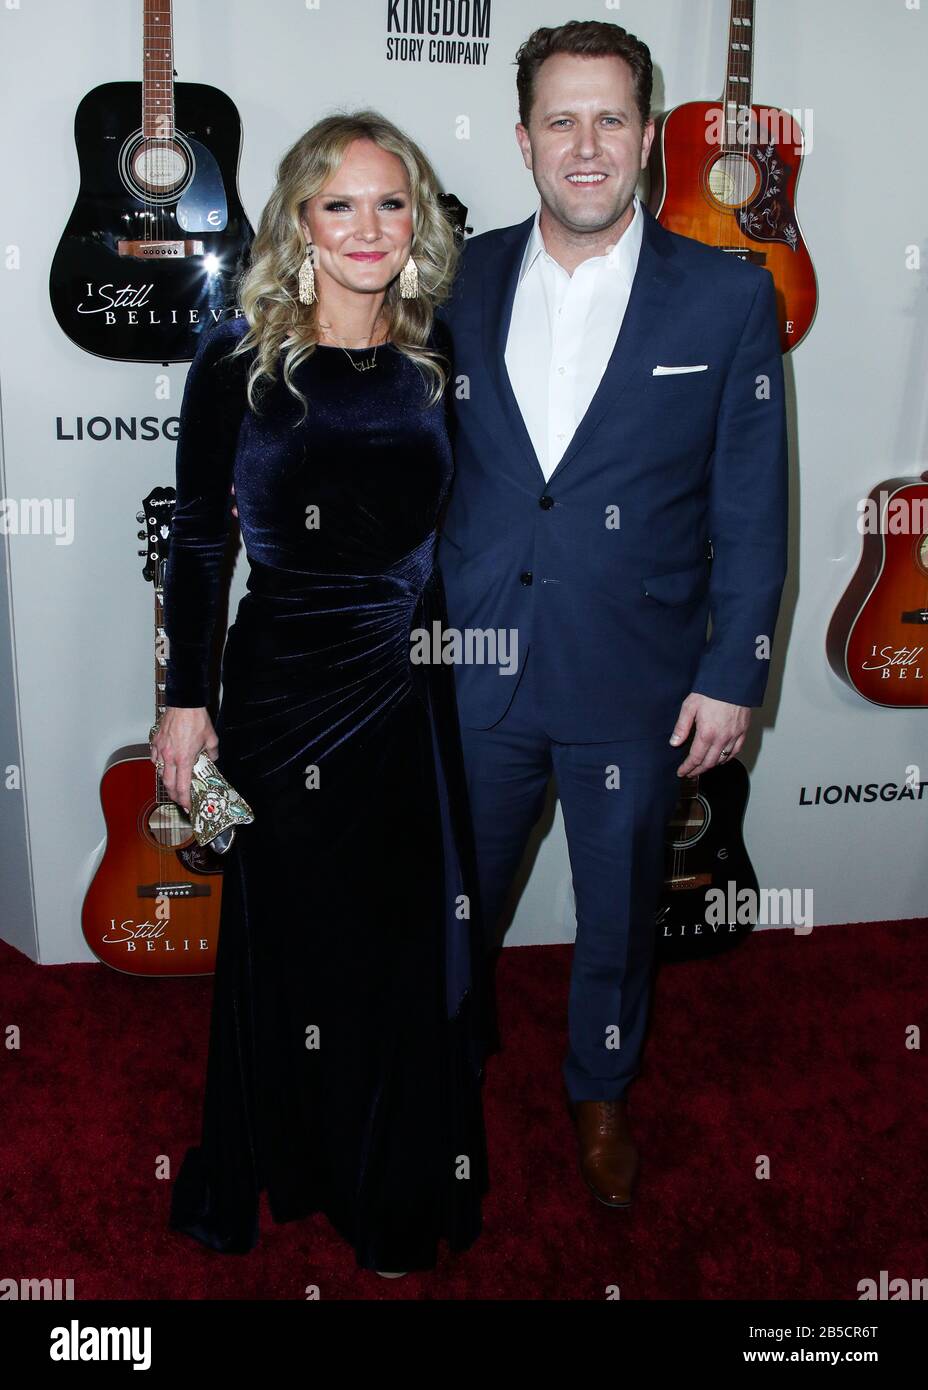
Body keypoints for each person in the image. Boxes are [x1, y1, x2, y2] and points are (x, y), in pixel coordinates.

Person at [436, 21, 788, 1207]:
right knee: (448, 897)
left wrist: (734, 671)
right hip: (470, 659)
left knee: (621, 909)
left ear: (646, 135)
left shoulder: (727, 296)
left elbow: (750, 504)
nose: (583, 145)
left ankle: (599, 1090)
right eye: (558, 119)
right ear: (522, 134)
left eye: (609, 119)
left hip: (637, 671)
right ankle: (441, 1068)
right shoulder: (453, 276)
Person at [152, 111, 489, 1274]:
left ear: (418, 221)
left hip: (405, 694)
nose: (366, 227)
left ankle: (386, 1188)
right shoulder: (236, 360)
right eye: (337, 203)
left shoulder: (440, 353)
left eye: (390, 202)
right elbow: (199, 541)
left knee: (394, 950)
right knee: (290, 941)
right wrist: (183, 700)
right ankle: (290, 1156)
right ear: (299, 218)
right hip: (283, 688)